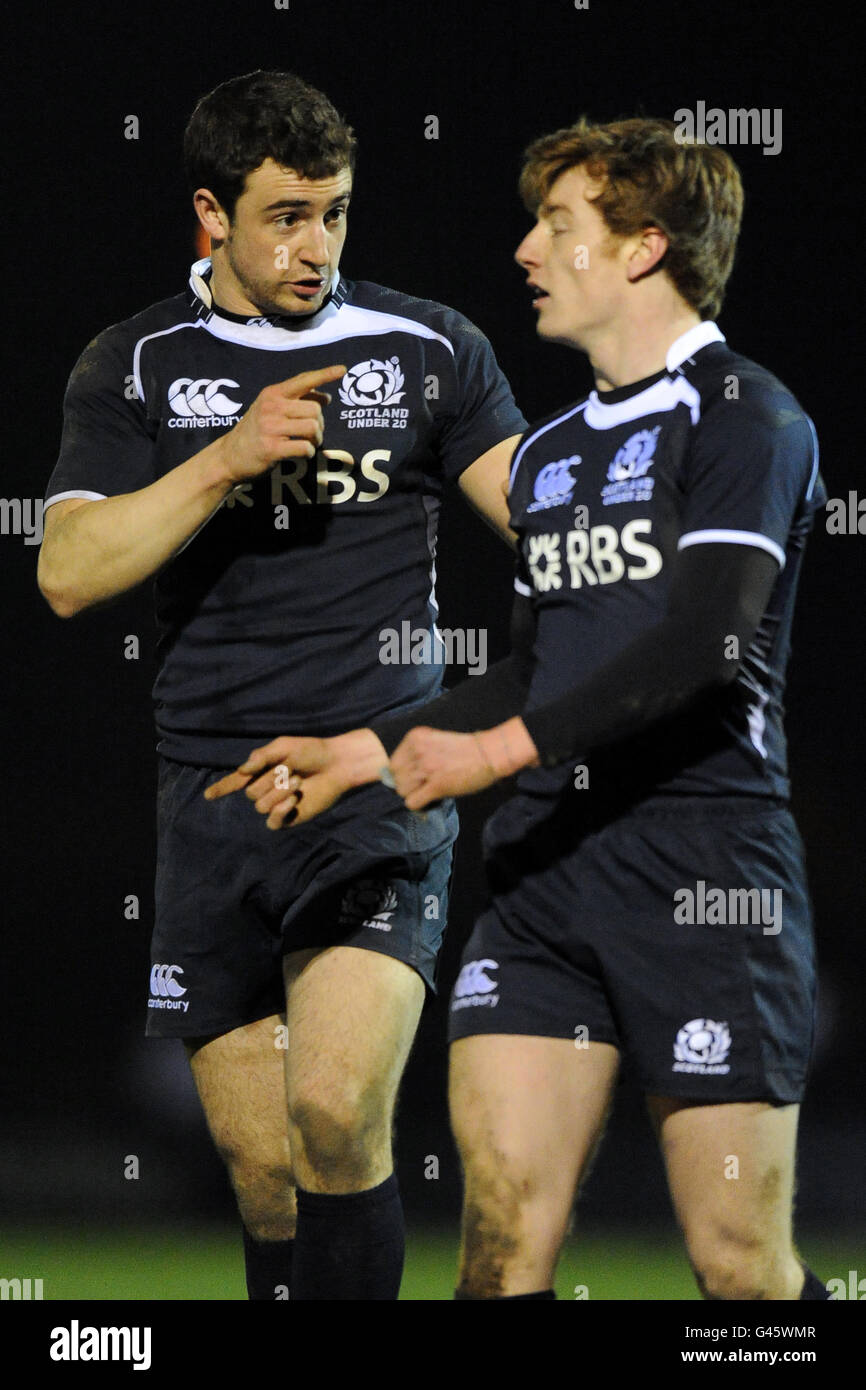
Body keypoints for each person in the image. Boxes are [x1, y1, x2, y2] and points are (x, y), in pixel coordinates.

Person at [208, 116, 831, 1301]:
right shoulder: (546, 459)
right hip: (543, 881)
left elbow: (704, 643)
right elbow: (526, 673)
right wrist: (366, 748)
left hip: (705, 872)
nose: (525, 252)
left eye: (558, 225)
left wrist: (496, 748)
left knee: (738, 1268)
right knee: (496, 1256)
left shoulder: (746, 415)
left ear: (644, 248)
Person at [37, 69, 526, 1301]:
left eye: (338, 213)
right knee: (263, 1173)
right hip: (208, 800)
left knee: (330, 1107)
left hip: (371, 784)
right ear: (212, 214)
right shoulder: (134, 362)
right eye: (288, 216)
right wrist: (224, 460)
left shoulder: (426, 348)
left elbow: (543, 518)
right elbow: (66, 572)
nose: (318, 247)